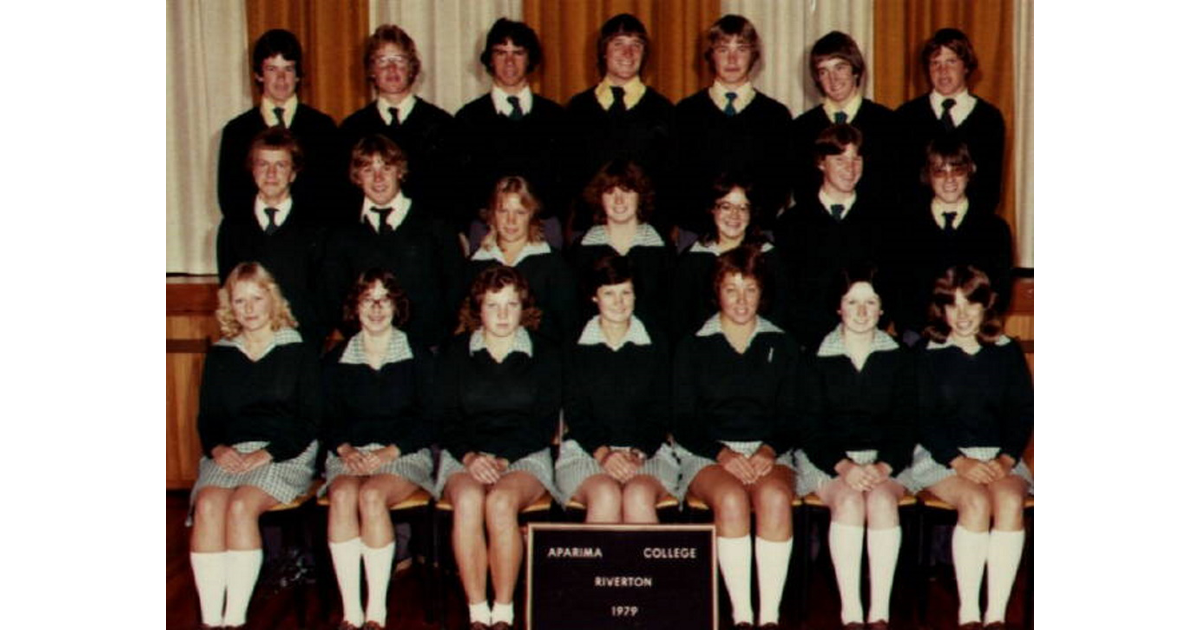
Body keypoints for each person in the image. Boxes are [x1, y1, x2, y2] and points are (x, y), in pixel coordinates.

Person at [900, 265, 1032, 630]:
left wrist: (1006, 458)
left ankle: (996, 615)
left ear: (986, 306)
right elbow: (923, 419)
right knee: (975, 502)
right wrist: (958, 461)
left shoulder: (1006, 351)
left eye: (970, 305)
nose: (962, 315)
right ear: (940, 310)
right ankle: (969, 613)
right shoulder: (927, 352)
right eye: (952, 306)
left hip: (1000, 456)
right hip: (941, 456)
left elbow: (1022, 412)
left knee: (1007, 501)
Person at [672, 246, 799, 629]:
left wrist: (768, 449)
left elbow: (794, 415)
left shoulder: (784, 344)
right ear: (717, 292)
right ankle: (742, 615)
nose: (741, 300)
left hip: (768, 452)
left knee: (776, 498)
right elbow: (683, 419)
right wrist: (723, 454)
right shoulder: (693, 345)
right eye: (732, 289)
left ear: (762, 292)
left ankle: (769, 617)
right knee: (730, 499)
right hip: (708, 453)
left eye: (750, 289)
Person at [189, 262, 319, 629]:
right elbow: (208, 419)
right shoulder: (221, 355)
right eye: (239, 300)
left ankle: (235, 618)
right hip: (230, 451)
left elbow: (310, 421)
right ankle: (212, 620)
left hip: (285, 451)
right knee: (210, 503)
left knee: (242, 504)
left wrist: (266, 453)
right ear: (229, 305)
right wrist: (217, 450)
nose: (248, 309)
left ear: (272, 300)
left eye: (256, 299)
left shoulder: (298, 350)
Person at [436, 266, 562, 630]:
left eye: (511, 304)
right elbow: (445, 418)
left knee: (501, 501)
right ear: (479, 309)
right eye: (493, 305)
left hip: (525, 454)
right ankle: (478, 611)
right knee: (470, 500)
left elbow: (543, 422)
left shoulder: (546, 352)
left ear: (524, 307)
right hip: (465, 454)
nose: (503, 315)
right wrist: (471, 457)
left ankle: (503, 612)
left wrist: (503, 458)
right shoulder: (455, 352)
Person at [794, 265, 915, 630]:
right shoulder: (814, 358)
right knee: (848, 500)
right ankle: (851, 614)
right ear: (838, 308)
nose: (862, 312)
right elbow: (810, 427)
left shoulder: (900, 358)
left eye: (870, 302)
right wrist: (844, 466)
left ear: (882, 309)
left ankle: (878, 613)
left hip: (887, 462)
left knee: (880, 501)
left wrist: (882, 468)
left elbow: (906, 425)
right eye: (852, 302)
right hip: (827, 461)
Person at [321, 269, 437, 630]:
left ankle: (376, 612)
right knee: (342, 497)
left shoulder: (416, 355)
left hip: (403, 454)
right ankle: (351, 612)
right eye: (367, 299)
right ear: (355, 307)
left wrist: (390, 451)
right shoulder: (335, 358)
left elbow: (432, 417)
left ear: (395, 305)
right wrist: (343, 449)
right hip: (350, 454)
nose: (375, 308)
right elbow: (322, 415)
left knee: (371, 496)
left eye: (383, 299)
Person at [556, 255, 678, 523]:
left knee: (638, 496)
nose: (619, 302)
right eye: (609, 293)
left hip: (648, 451)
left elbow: (662, 409)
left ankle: (641, 568)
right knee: (605, 495)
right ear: (594, 297)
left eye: (626, 292)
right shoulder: (574, 344)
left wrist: (637, 453)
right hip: (586, 450)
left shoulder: (656, 341)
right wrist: (605, 454)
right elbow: (575, 411)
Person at [319, 134, 464, 352]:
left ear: (400, 171)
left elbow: (455, 290)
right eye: (368, 170)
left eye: (386, 168)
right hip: (366, 351)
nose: (378, 179)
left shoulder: (436, 226)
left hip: (426, 349)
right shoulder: (341, 234)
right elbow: (335, 296)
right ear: (357, 177)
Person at [776, 124, 893, 353]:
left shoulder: (883, 221)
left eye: (856, 159)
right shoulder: (791, 224)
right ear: (821, 162)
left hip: (869, 341)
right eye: (840, 160)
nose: (850, 169)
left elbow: (892, 284)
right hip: (810, 347)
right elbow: (786, 293)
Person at [452, 18, 567, 246]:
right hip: (488, 232)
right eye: (501, 52)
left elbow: (565, 183)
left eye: (518, 52)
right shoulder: (468, 119)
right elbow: (460, 188)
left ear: (530, 59)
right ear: (490, 60)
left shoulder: (555, 117)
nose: (509, 61)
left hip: (543, 231)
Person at [674, 15, 791, 235]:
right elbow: (678, 183)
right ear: (711, 55)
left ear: (753, 55)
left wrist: (746, 222)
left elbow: (779, 185)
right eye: (722, 49)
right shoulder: (686, 113)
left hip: (756, 234)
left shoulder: (775, 116)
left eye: (741, 49)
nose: (732, 59)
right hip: (698, 235)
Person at [563, 13, 675, 236]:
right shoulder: (578, 108)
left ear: (644, 54)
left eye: (636, 45)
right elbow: (568, 178)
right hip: (589, 232)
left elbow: (671, 182)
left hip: (648, 234)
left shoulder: (662, 109)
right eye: (618, 44)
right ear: (603, 51)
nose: (628, 53)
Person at [893, 137, 1013, 343]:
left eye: (957, 170)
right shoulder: (905, 229)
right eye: (940, 171)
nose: (949, 179)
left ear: (969, 172)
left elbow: (1000, 291)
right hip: (920, 336)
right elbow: (898, 290)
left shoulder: (994, 229)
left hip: (975, 335)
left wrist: (969, 330)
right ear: (928, 176)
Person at [216, 127, 326, 347]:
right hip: (249, 347)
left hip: (302, 347)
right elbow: (229, 294)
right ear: (252, 170)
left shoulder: (317, 227)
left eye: (281, 165)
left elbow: (325, 298)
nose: (271, 174)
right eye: (263, 164)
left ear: (293, 173)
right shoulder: (232, 227)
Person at [217, 29, 340, 223]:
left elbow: (333, 195)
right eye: (272, 69)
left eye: (288, 69)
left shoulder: (322, 128)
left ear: (298, 75)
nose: (281, 78)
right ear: (258, 74)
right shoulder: (236, 132)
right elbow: (231, 202)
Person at [339, 24, 455, 213]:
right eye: (382, 60)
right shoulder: (351, 129)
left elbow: (450, 196)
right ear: (371, 70)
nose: (392, 68)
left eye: (399, 60)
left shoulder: (442, 125)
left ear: (411, 68)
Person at [895, 28, 1006, 214]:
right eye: (935, 63)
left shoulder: (989, 119)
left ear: (966, 66)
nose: (942, 71)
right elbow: (900, 186)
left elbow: (990, 190)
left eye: (951, 62)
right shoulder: (906, 116)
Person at [671, 174, 787, 341]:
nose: (735, 215)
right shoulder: (692, 260)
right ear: (713, 209)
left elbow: (780, 315)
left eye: (742, 208)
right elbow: (680, 322)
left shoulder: (769, 258)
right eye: (726, 207)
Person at [465, 175, 578, 343]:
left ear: (531, 214)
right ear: (492, 214)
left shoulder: (553, 263)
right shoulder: (476, 263)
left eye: (520, 212)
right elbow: (467, 323)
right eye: (503, 211)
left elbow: (569, 327)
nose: (511, 220)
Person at [790, 31, 897, 205]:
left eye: (840, 68)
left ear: (855, 70)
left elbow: (894, 190)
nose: (833, 79)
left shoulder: (887, 123)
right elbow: (802, 191)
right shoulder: (802, 128)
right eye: (824, 72)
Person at [569, 159, 673, 332]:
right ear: (599, 198)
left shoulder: (661, 247)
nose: (618, 200)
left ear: (639, 196)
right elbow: (575, 311)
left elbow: (670, 311)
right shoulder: (582, 249)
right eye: (610, 192)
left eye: (626, 191)